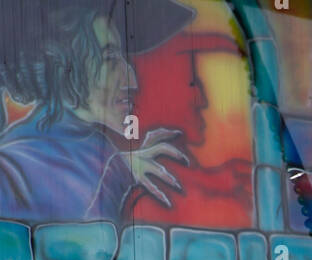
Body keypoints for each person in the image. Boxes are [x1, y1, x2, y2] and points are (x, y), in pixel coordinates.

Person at [0, 0, 192, 224]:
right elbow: (75, 251)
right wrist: (118, 173)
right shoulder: (12, 172)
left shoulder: (101, 151)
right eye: (110, 59)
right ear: (63, 67)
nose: (132, 81)